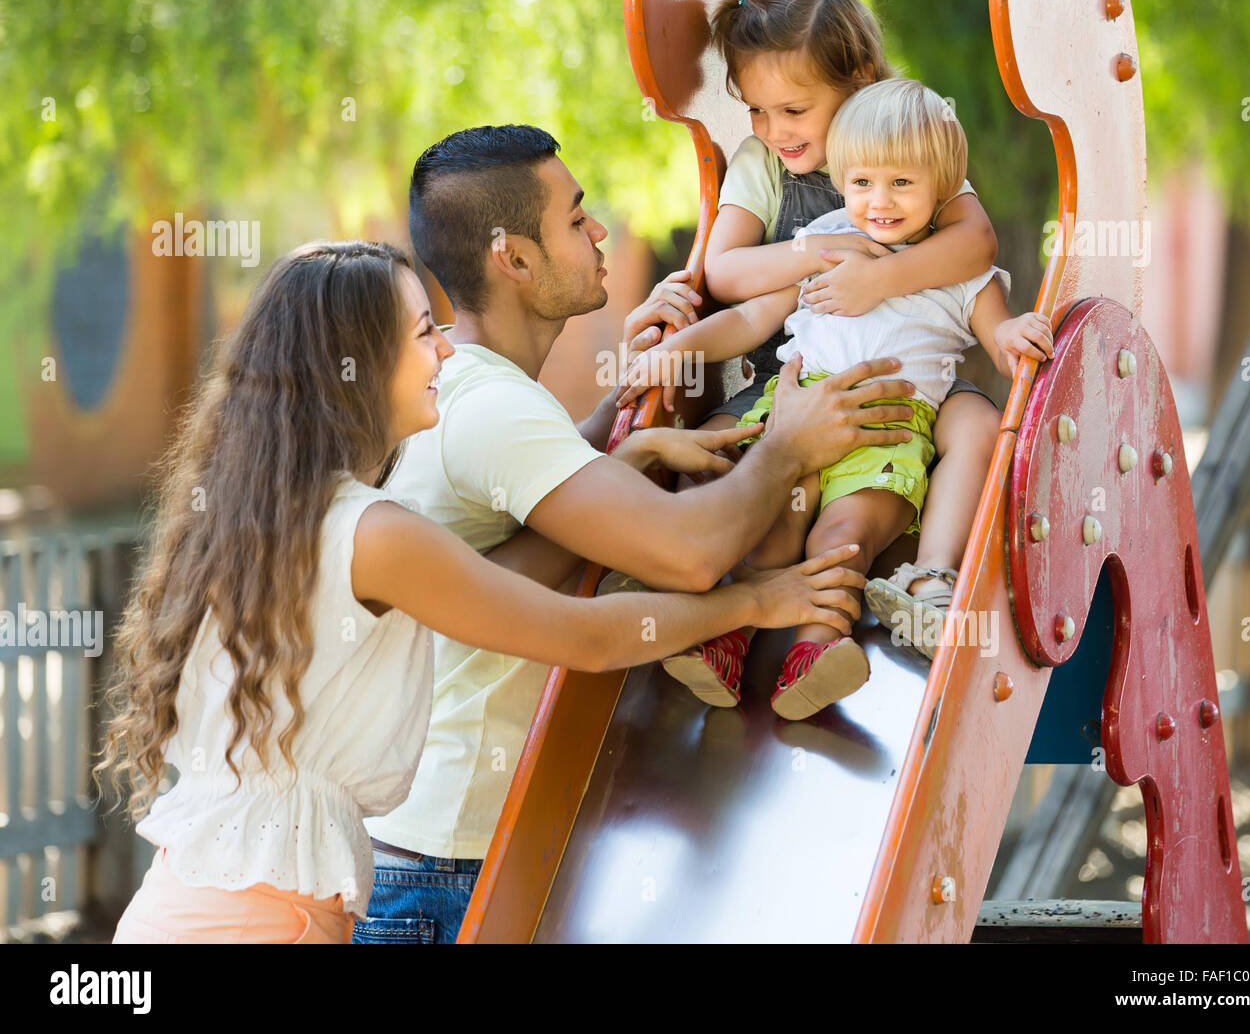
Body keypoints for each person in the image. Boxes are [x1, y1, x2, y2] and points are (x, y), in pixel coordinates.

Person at [95, 240, 870, 944]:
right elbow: (586, 636)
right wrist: (760, 584)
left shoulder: (272, 511)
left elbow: (489, 592)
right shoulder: (370, 531)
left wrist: (616, 459)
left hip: (193, 910)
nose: (444, 351)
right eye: (421, 332)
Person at [357, 125, 920, 943]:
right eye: (575, 218)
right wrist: (789, 445)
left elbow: (546, 492)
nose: (599, 234)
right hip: (453, 873)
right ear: (512, 258)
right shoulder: (493, 409)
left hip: (443, 849)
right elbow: (689, 556)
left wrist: (627, 403)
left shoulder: (471, 388)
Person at [620, 80, 1053, 717]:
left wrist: (1014, 331)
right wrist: (676, 350)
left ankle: (816, 654)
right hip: (795, 418)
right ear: (841, 179)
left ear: (944, 185)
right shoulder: (826, 241)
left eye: (902, 184)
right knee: (769, 531)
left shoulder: (957, 268)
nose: (879, 202)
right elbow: (750, 321)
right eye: (862, 183)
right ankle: (723, 640)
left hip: (888, 428)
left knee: (844, 538)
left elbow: (997, 334)